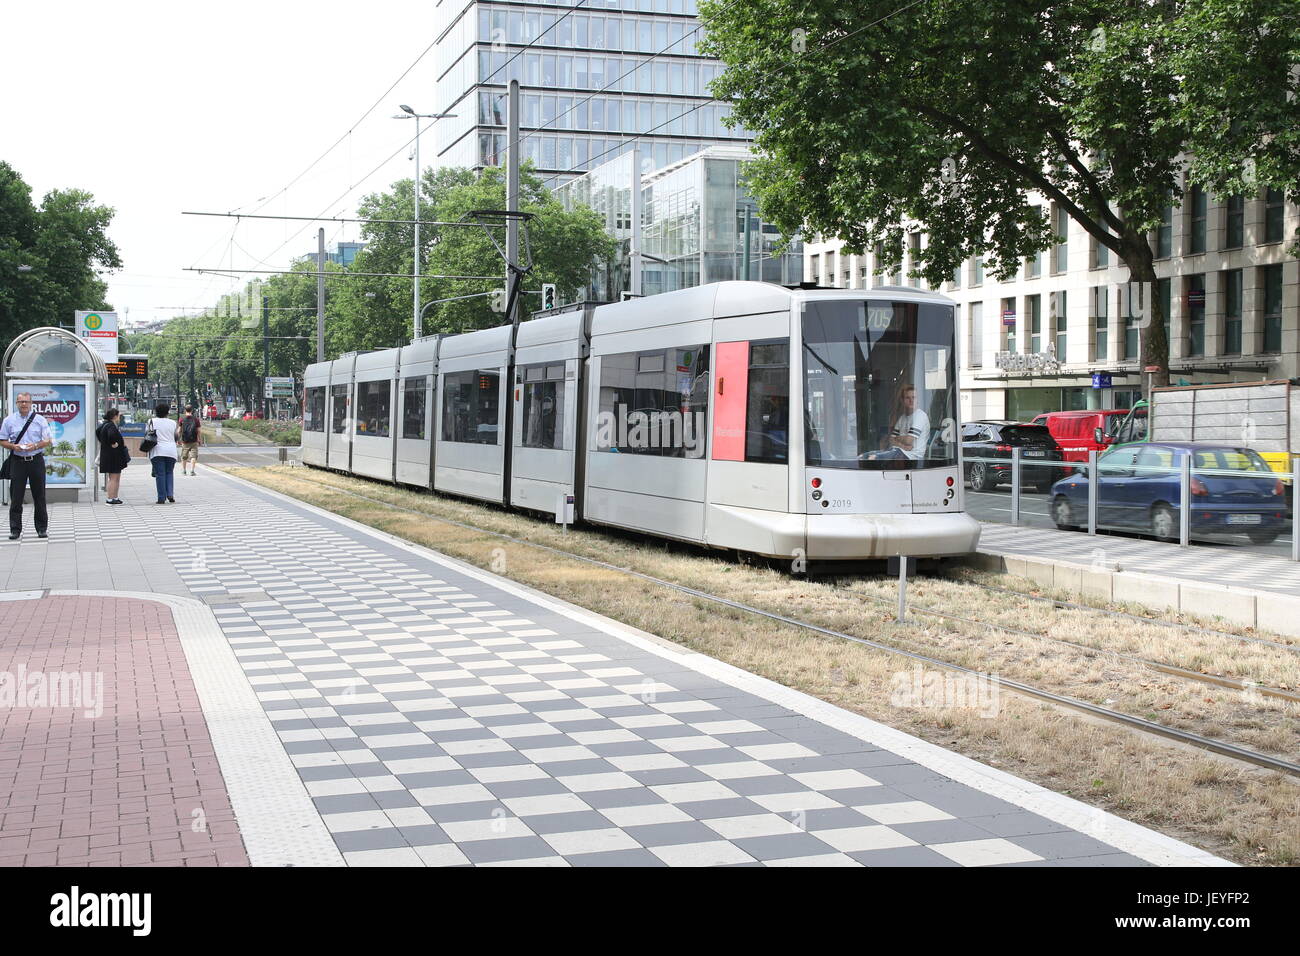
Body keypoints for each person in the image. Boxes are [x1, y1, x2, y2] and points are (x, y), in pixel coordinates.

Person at [1, 391, 53, 540]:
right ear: (17, 404)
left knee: (40, 496)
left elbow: (48, 440)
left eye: (26, 402)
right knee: (16, 497)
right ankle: (15, 529)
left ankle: (42, 528)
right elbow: (2, 440)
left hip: (36, 460)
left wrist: (36, 445)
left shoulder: (40, 420)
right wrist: (13, 446)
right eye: (21, 402)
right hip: (18, 461)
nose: (24, 404)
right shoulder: (9, 421)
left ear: (31, 404)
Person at [869, 383, 931, 461]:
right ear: (902, 400)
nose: (911, 401)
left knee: (873, 458)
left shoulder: (920, 416)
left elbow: (908, 441)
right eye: (908, 398)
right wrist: (903, 446)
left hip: (912, 457)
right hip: (899, 451)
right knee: (866, 455)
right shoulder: (902, 418)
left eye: (914, 397)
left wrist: (897, 438)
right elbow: (891, 440)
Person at [96, 408, 130, 504]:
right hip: (113, 455)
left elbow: (97, 432)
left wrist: (104, 442)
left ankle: (114, 497)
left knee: (115, 477)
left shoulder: (104, 425)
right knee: (113, 478)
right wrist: (113, 443)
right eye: (119, 416)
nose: (119, 418)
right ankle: (110, 498)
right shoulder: (111, 426)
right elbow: (111, 436)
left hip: (109, 455)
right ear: (114, 416)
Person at [147, 402, 180, 504]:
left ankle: (161, 498)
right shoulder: (173, 423)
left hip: (157, 451)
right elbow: (176, 437)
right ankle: (170, 494)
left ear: (156, 411)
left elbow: (147, 435)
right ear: (167, 412)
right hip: (171, 451)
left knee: (160, 474)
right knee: (169, 472)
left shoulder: (151, 421)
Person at [179, 404, 203, 475]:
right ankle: (192, 471)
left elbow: (179, 431)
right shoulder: (196, 419)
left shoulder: (181, 419)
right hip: (194, 440)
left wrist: (178, 439)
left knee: (184, 456)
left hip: (185, 441)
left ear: (185, 410)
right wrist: (200, 440)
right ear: (192, 410)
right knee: (193, 456)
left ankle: (184, 471)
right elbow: (199, 431)